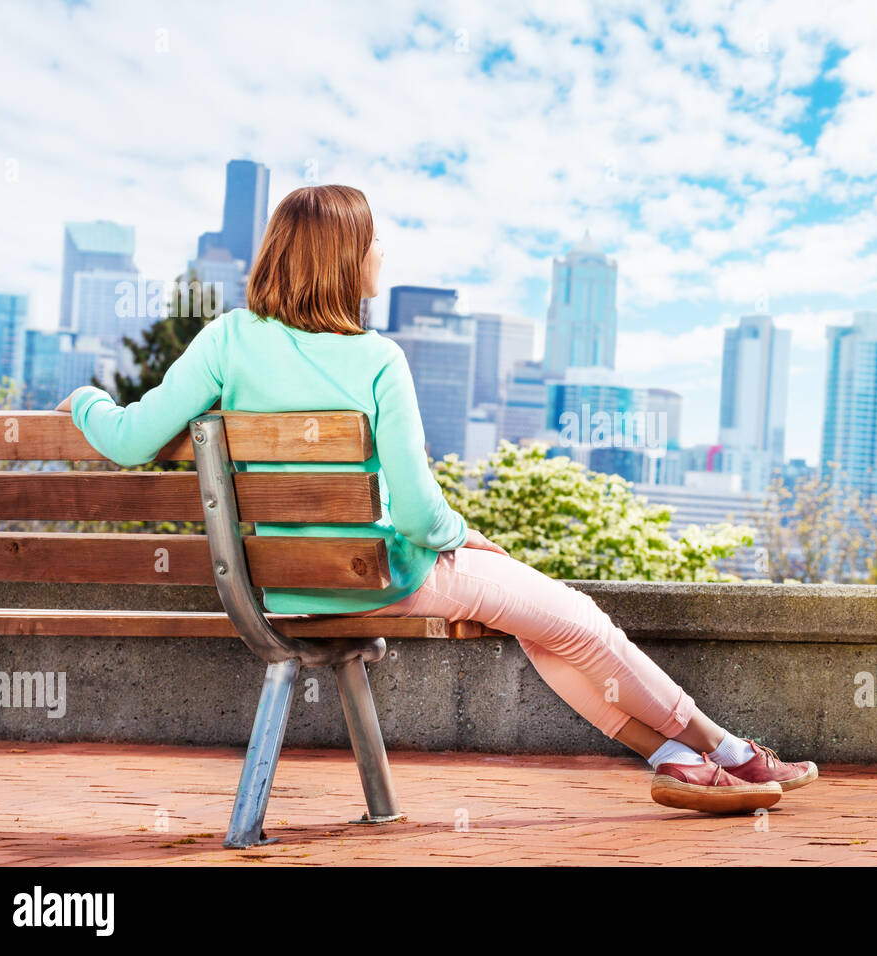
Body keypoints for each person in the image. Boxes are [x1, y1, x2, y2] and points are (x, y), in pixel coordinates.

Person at [57, 184, 816, 814]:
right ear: (342, 258)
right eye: (374, 239)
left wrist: (85, 401)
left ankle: (681, 760)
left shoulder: (227, 340)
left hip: (277, 586)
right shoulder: (379, 358)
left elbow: (128, 438)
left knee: (545, 627)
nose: (383, 252)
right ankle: (729, 749)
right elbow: (419, 516)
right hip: (386, 577)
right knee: (578, 621)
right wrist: (466, 535)